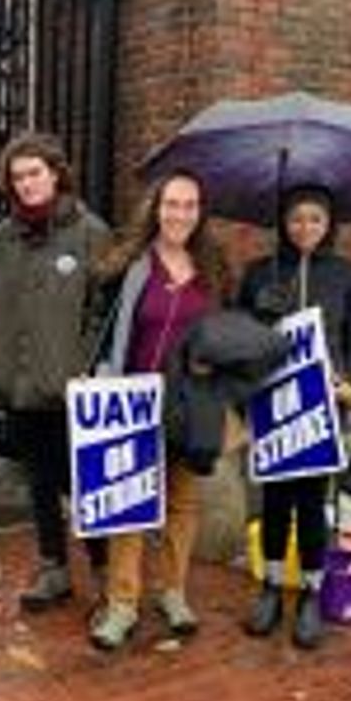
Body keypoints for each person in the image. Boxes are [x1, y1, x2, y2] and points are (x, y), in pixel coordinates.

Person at [86, 170, 231, 649]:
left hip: (190, 405)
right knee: (129, 505)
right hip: (135, 404)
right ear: (156, 208)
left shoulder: (213, 269)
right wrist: (104, 377)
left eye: (190, 206)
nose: (180, 214)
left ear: (200, 213)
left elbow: (227, 333)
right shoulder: (134, 266)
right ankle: (122, 604)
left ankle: (172, 591)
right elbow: (105, 329)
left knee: (182, 503)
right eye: (172, 204)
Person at [0, 131, 113, 612]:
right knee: (40, 481)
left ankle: (103, 568)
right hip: (20, 388)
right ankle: (54, 567)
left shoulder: (89, 233)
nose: (27, 183)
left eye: (35, 173)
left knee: (87, 482)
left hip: (72, 390)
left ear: (55, 173)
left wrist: (82, 365)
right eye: (18, 177)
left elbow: (103, 309)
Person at [236, 185, 351, 650]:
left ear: (329, 224)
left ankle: (312, 593)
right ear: (284, 223)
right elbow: (236, 335)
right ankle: (272, 585)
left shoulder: (349, 276)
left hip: (323, 407)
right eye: (296, 219)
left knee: (313, 503)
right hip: (273, 406)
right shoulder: (260, 273)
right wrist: (260, 315)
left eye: (315, 219)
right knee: (274, 500)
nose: (305, 228)